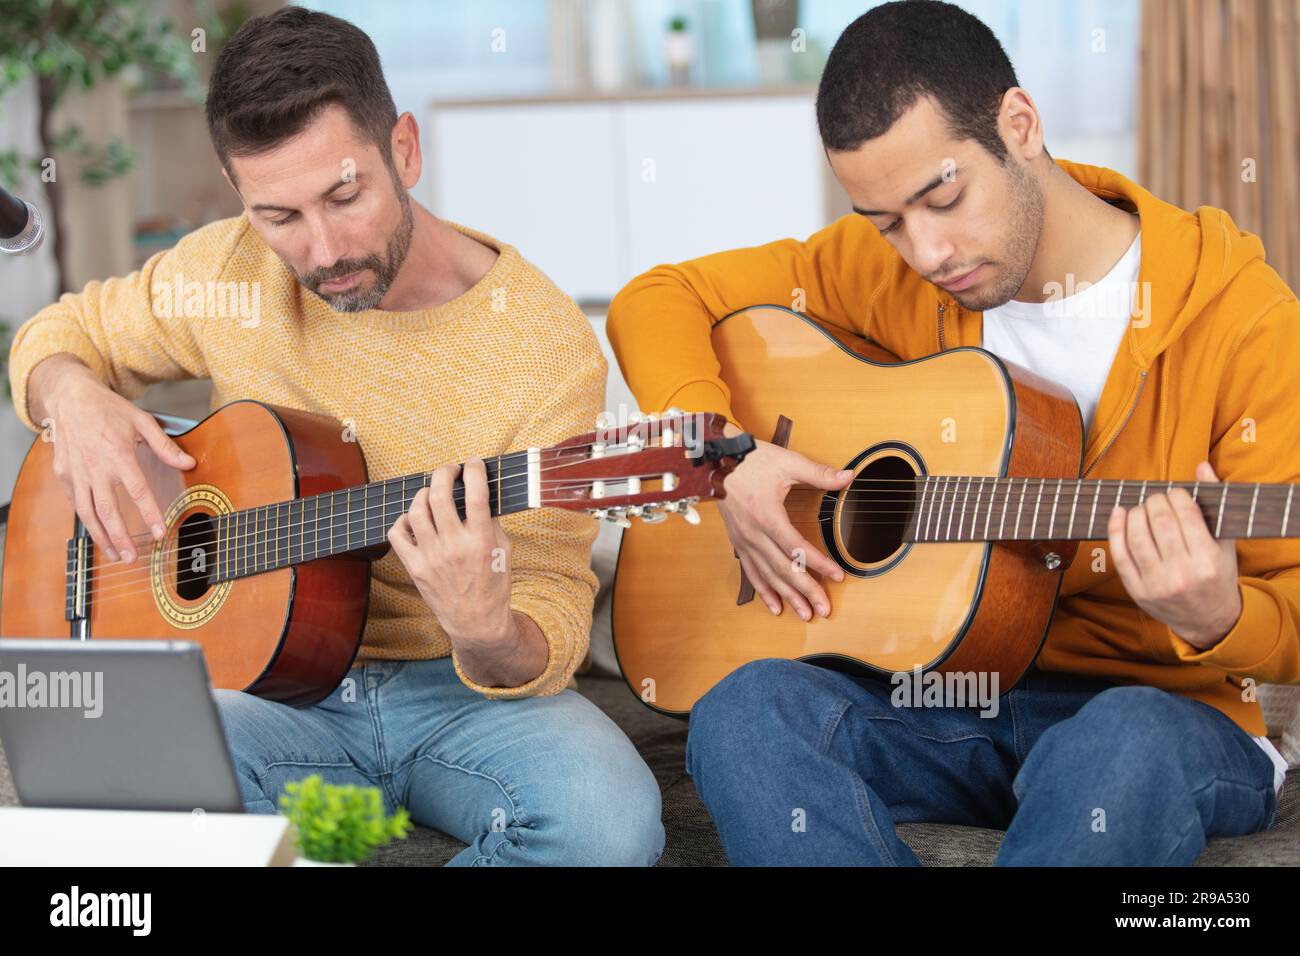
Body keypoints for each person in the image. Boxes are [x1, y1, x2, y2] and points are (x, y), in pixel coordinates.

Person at [607, 0, 1294, 865]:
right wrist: (726, 454)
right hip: (937, 703)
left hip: (1158, 716)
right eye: (886, 221)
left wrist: (1219, 614)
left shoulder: (1243, 320)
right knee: (743, 714)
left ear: (1020, 123)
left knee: (1123, 740)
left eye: (943, 195)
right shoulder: (887, 274)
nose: (925, 251)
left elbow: (1293, 611)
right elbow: (658, 294)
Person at [9, 7, 663, 866]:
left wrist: (488, 629)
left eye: (343, 197)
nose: (322, 250)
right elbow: (60, 333)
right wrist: (71, 400)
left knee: (606, 824)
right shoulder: (227, 269)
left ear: (404, 151)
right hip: (262, 691)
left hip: (466, 700)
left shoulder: (539, 345)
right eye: (279, 216)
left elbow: (549, 611)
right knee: (98, 767)